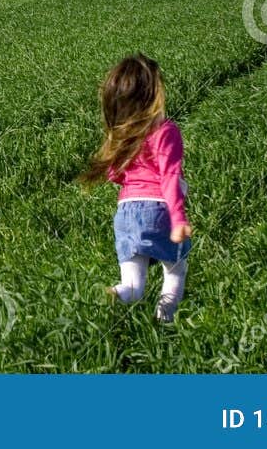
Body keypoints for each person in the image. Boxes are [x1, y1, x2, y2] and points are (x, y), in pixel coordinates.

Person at [79, 53, 193, 322]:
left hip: (126, 212)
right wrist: (178, 220)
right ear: (155, 94)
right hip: (159, 210)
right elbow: (169, 176)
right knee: (176, 269)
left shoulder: (124, 134)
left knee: (133, 285)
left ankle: (111, 294)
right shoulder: (165, 131)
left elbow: (113, 173)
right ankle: (164, 322)